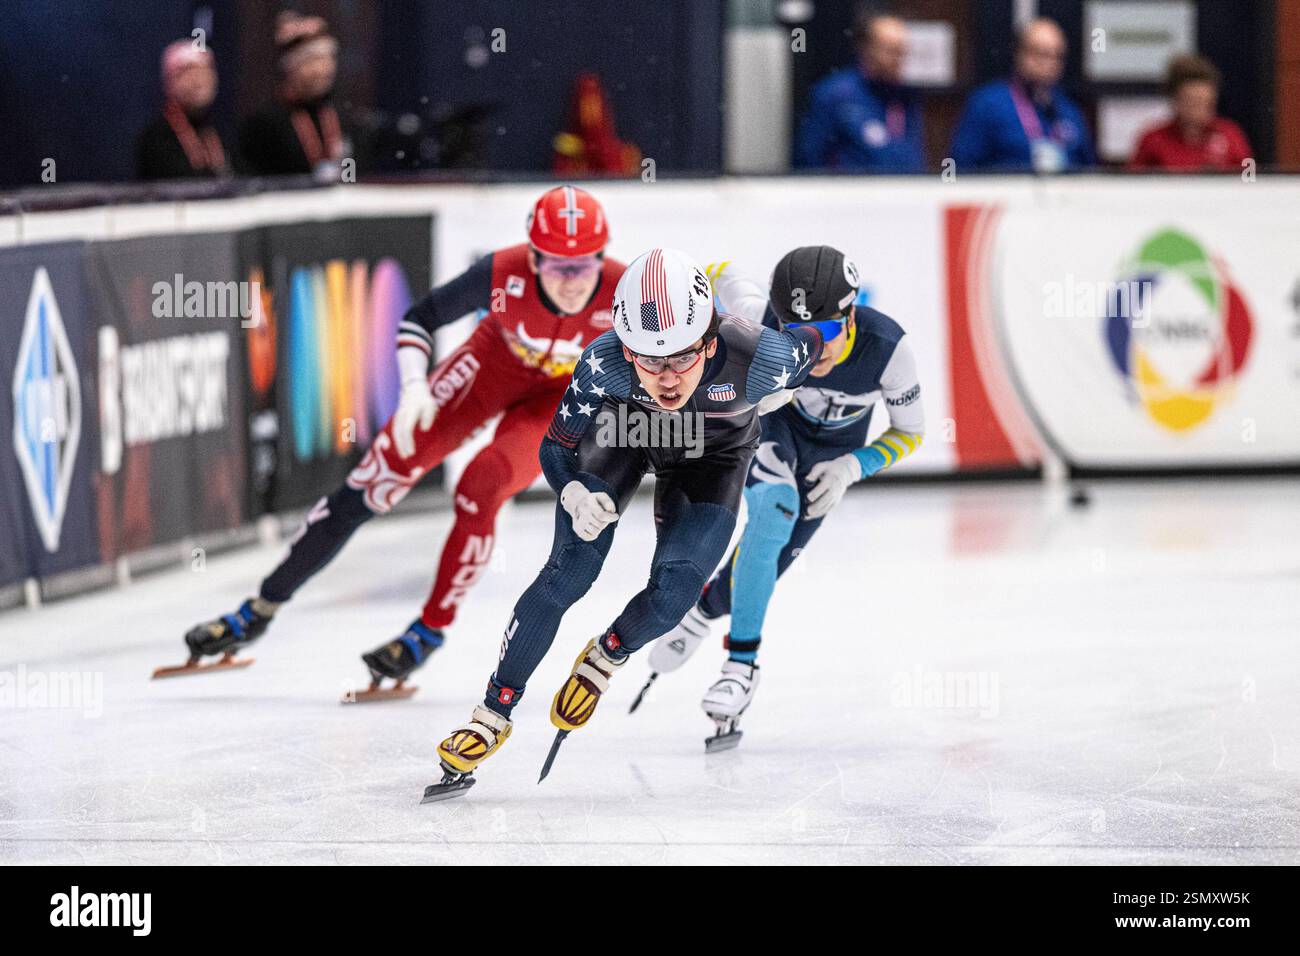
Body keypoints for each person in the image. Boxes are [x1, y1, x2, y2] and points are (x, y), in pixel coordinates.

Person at [424, 248, 847, 800]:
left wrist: (825, 332)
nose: (667, 378)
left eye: (680, 358)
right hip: (625, 435)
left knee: (676, 590)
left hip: (713, 458)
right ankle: (492, 711)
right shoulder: (604, 361)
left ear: (711, 340)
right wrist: (572, 488)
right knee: (567, 573)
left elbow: (817, 339)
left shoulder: (763, 355)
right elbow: (556, 448)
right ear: (627, 348)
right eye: (649, 360)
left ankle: (606, 656)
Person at [176, 187, 625, 694]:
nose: (571, 283)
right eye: (558, 267)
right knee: (376, 479)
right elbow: (419, 318)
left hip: (559, 400)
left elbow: (691, 338)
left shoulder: (623, 289)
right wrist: (414, 387)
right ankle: (260, 608)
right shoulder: (503, 274)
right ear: (534, 256)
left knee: (481, 488)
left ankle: (429, 630)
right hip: (491, 369)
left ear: (601, 258)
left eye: (584, 267)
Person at [630, 248, 924, 748]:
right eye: (796, 335)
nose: (816, 348)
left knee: (768, 561)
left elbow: (910, 432)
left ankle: (703, 611)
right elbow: (715, 271)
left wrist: (856, 466)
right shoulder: (756, 316)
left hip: (833, 456)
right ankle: (741, 667)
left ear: (853, 314)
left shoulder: (887, 347)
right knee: (773, 513)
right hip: (773, 430)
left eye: (828, 333)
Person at [949, 17, 1094, 173]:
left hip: (1063, 194)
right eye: (1041, 53)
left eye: (1057, 56)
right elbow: (962, 167)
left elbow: (1089, 170)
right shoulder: (987, 104)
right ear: (1020, 53)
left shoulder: (1069, 110)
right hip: (1004, 194)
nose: (1049, 63)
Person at [794, 13, 924, 172]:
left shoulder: (905, 96)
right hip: (847, 192)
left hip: (901, 190)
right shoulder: (834, 94)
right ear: (867, 49)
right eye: (891, 51)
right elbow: (809, 158)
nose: (898, 59)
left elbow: (912, 154)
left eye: (902, 51)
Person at [239, 12, 347, 176]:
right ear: (292, 67)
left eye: (329, 59)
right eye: (314, 60)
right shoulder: (264, 125)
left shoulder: (342, 117)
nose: (324, 70)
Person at [1129, 54, 1251, 172]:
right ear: (1175, 100)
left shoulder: (1230, 135)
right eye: (1193, 103)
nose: (1200, 111)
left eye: (1207, 103)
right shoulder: (1153, 140)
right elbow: (1133, 185)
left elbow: (1250, 180)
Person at [137, 40, 227, 180]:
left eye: (205, 70)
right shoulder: (157, 139)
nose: (199, 80)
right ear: (170, 80)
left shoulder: (220, 132)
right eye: (188, 71)